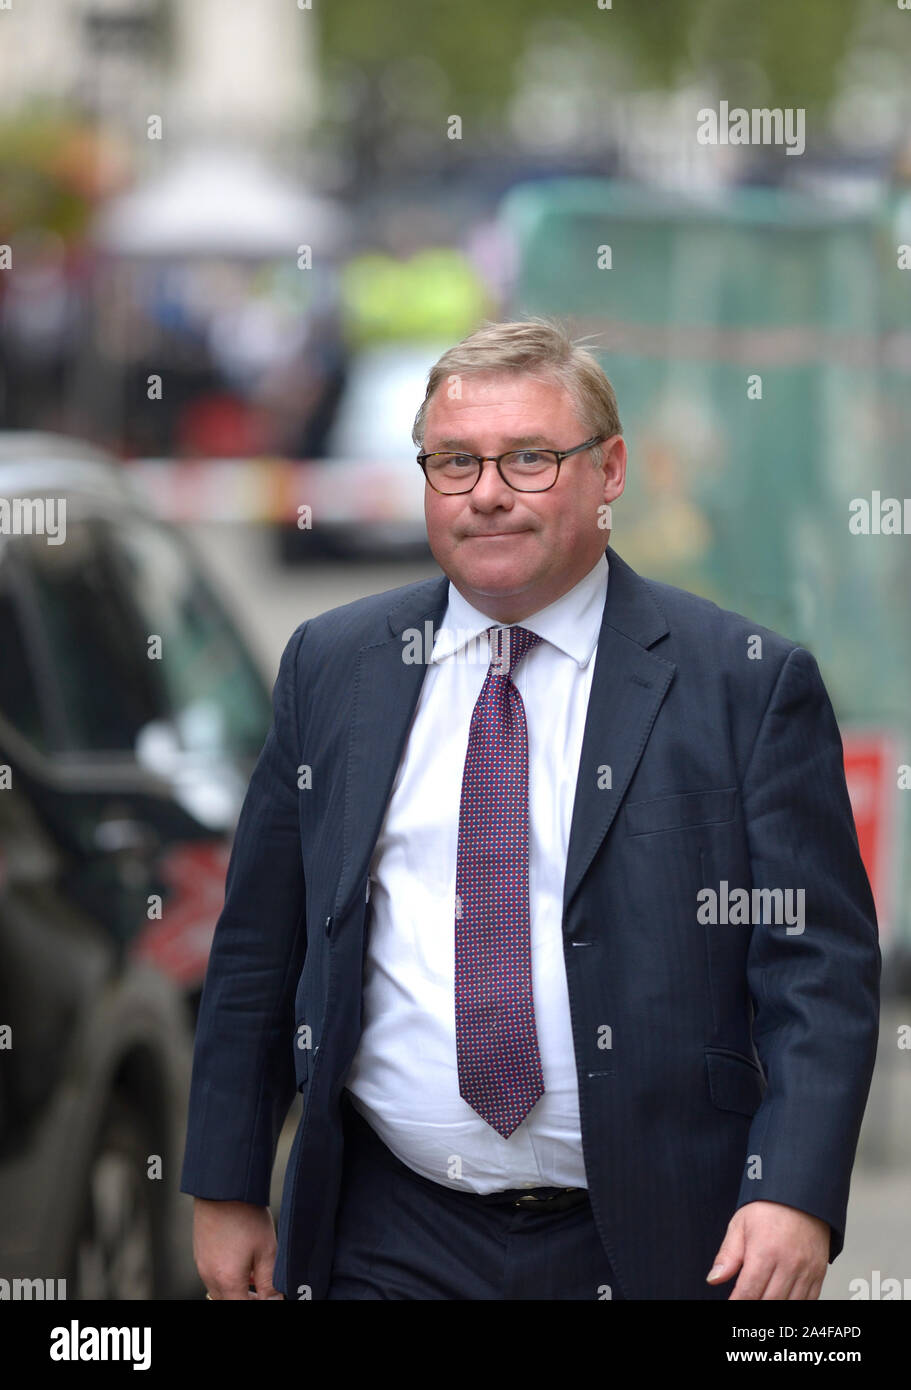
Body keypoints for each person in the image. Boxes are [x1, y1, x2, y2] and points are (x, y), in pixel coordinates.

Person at [181, 318, 880, 1301]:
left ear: (610, 471)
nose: (489, 493)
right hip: (388, 1227)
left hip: (664, 1234)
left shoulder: (742, 684)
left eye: (530, 459)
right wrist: (225, 1182)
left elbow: (817, 969)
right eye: (455, 461)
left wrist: (793, 1191)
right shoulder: (334, 666)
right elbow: (259, 943)